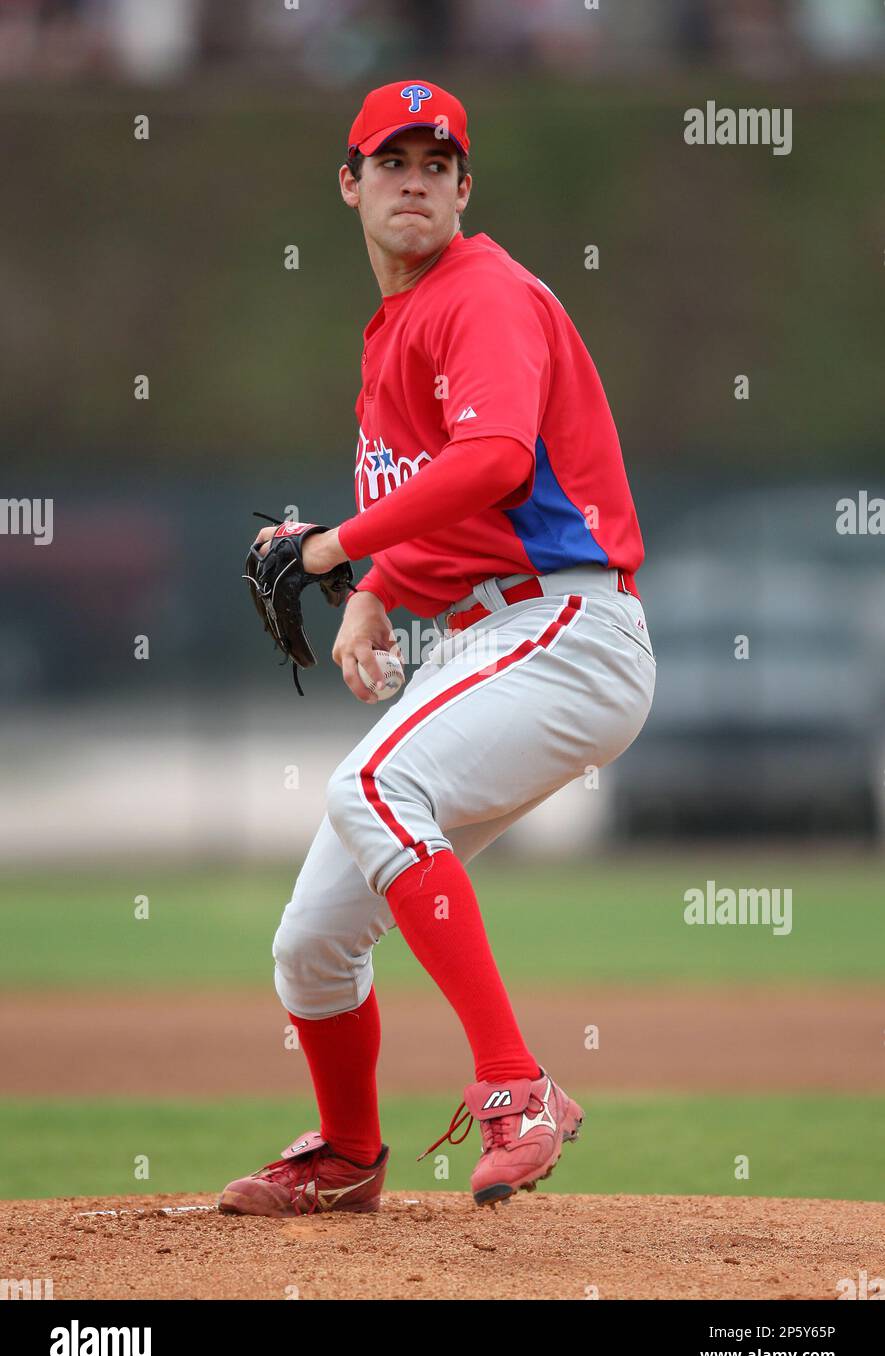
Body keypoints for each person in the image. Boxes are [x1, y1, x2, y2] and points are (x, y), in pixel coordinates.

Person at [219, 78, 655, 1217]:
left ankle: (517, 1084)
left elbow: (498, 462)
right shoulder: (395, 331)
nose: (413, 179)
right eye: (391, 160)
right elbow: (455, 510)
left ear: (464, 188)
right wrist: (375, 593)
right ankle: (349, 1155)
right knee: (311, 944)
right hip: (493, 635)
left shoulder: (484, 296)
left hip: (567, 624)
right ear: (350, 183)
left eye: (437, 163)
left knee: (371, 781)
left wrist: (333, 552)